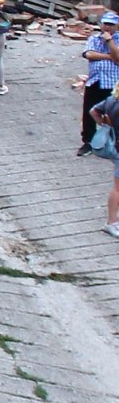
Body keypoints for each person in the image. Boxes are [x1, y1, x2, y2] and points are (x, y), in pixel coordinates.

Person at [80, 12, 119, 156]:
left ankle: (113, 140)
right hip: (95, 80)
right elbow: (88, 54)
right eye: (105, 24)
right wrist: (109, 56)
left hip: (112, 83)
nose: (107, 27)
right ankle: (88, 141)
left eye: (111, 25)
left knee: (113, 113)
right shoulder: (94, 39)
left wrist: (110, 42)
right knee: (89, 112)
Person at [88, 84, 119, 237]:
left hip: (115, 146)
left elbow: (93, 111)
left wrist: (104, 124)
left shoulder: (111, 100)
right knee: (117, 188)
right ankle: (111, 222)